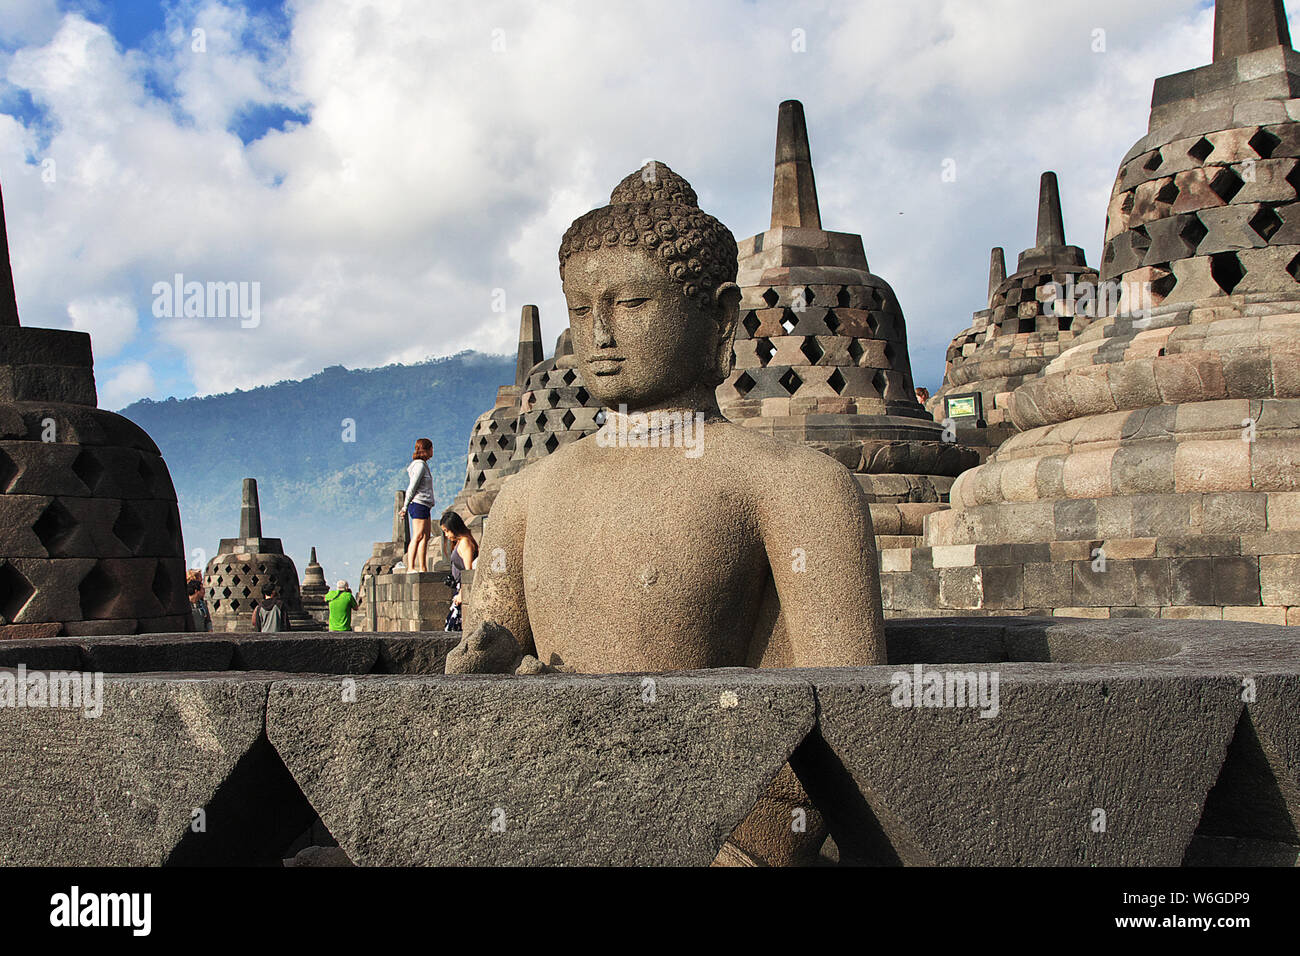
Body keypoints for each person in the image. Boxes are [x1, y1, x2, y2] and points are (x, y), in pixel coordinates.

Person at [400, 438, 436, 573]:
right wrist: (405, 506)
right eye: (431, 448)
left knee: (425, 536)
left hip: (425, 504)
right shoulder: (419, 465)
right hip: (418, 503)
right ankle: (410, 567)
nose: (433, 451)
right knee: (418, 535)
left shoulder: (423, 465)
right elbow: (412, 487)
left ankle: (423, 567)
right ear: (425, 450)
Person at [439, 510, 478, 631]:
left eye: (446, 531)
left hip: (463, 589)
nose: (446, 535)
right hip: (458, 588)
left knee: (452, 627)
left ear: (454, 527)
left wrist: (462, 593)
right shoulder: (458, 542)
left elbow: (468, 570)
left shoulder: (465, 542)